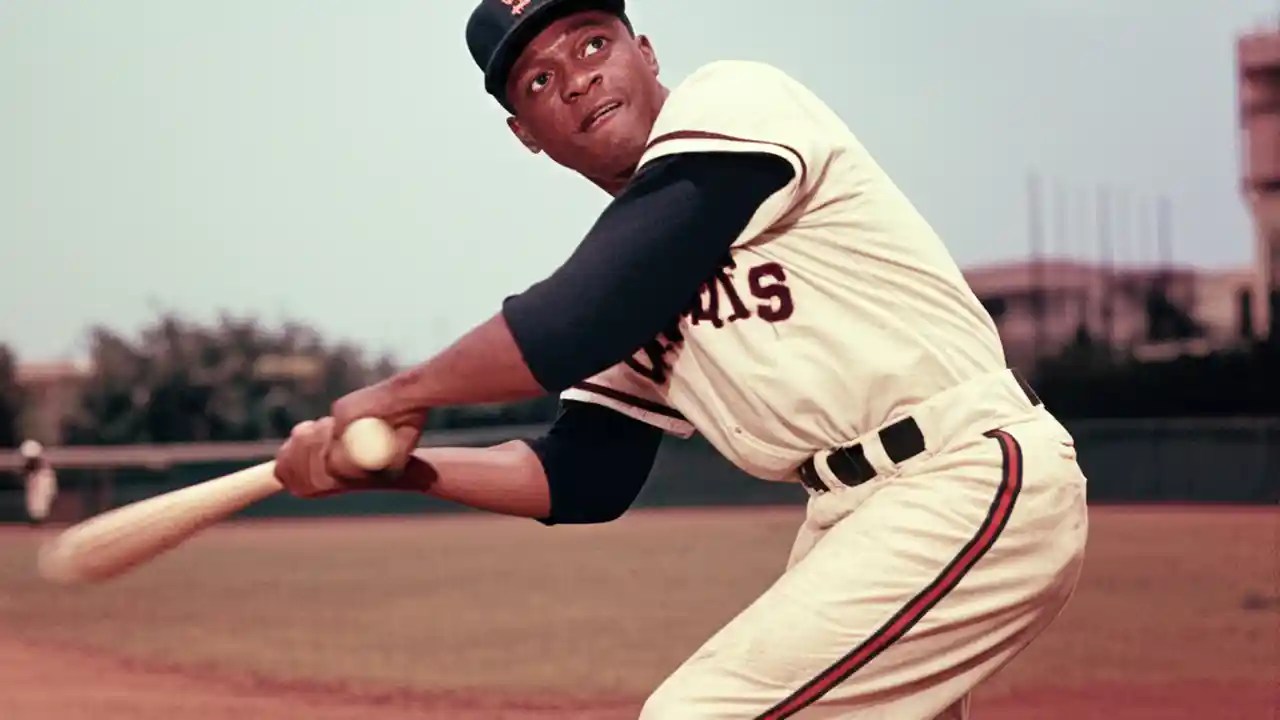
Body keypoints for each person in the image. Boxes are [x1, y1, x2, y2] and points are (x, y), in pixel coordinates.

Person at [273, 1, 1090, 717]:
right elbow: (584, 475)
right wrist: (401, 468)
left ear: (647, 51)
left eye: (593, 45)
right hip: (857, 519)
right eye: (539, 81)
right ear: (526, 135)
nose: (579, 79)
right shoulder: (621, 275)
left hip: (964, 469)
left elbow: (579, 317)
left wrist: (399, 393)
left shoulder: (740, 102)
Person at [19, 440, 58, 526]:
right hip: (33, 510)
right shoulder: (30, 471)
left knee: (39, 507)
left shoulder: (45, 474)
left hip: (42, 508)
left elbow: (49, 492)